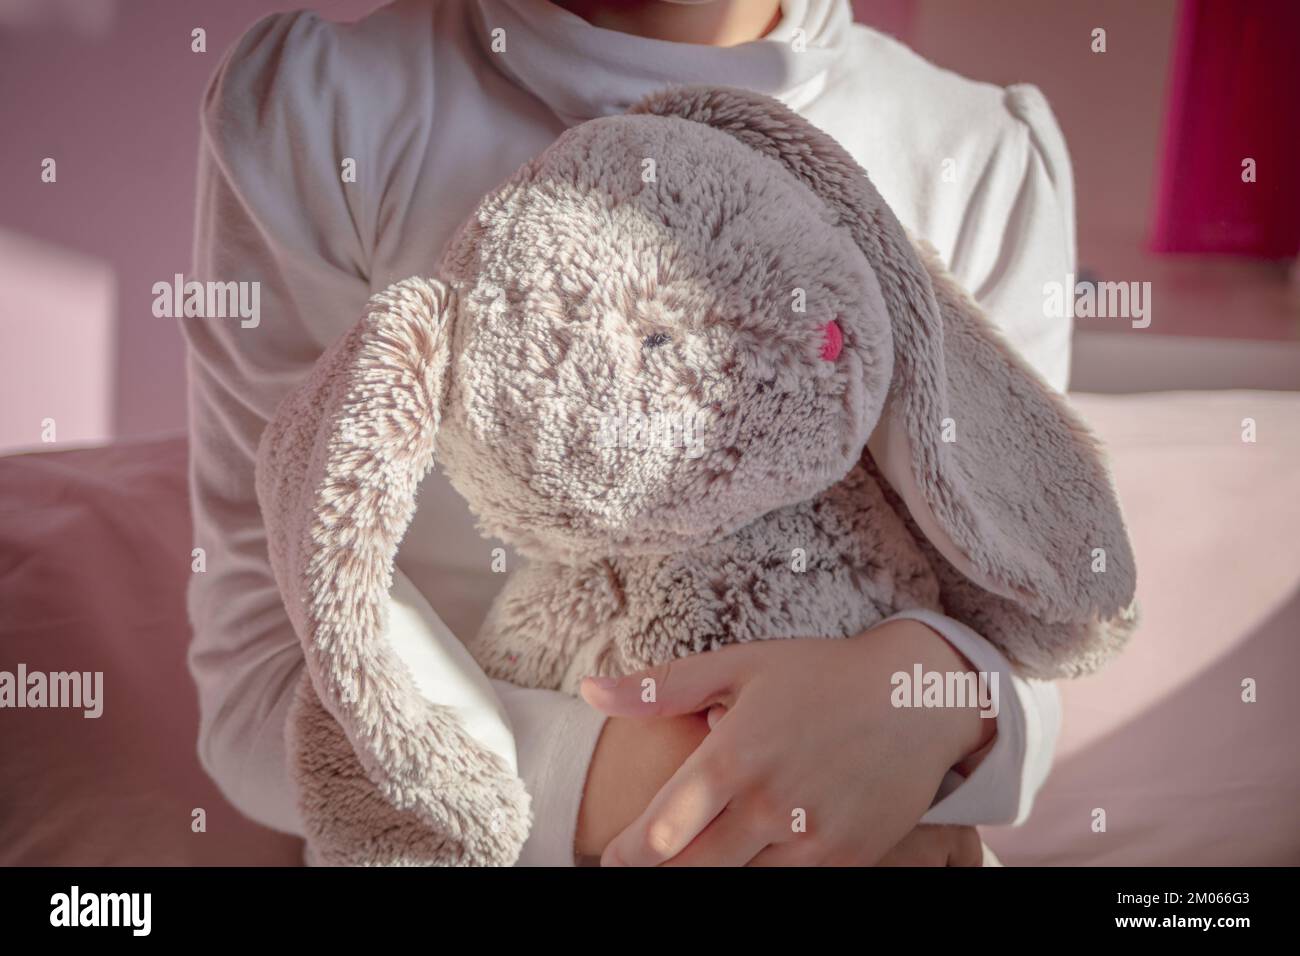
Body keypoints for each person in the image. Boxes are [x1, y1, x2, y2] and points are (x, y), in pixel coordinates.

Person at [184, 0, 1071, 866]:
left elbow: (1045, 608)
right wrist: (661, 787)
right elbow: (262, 690)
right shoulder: (330, 111)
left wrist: (923, 701)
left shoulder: (976, 154)